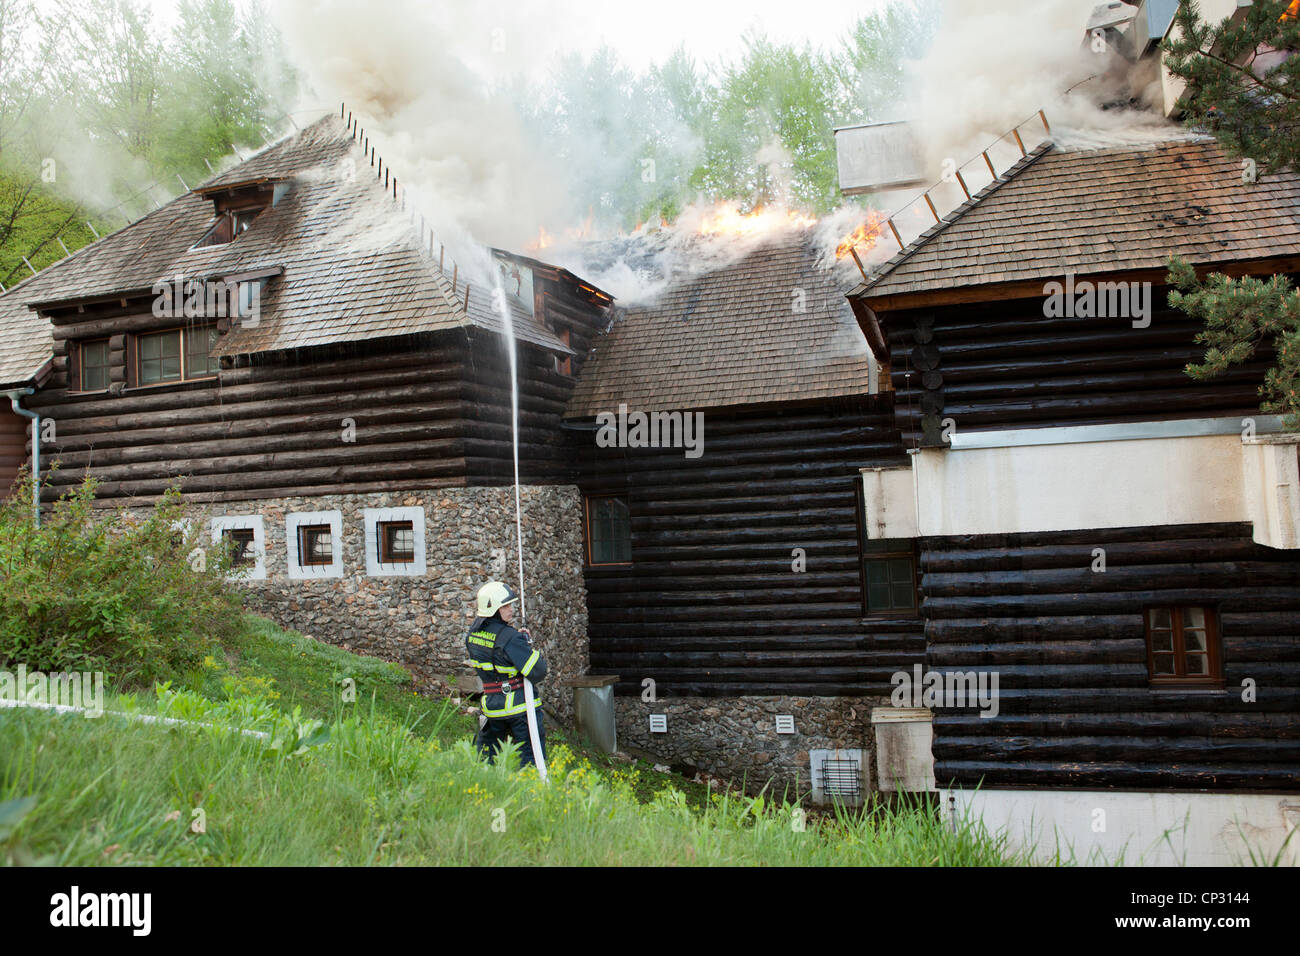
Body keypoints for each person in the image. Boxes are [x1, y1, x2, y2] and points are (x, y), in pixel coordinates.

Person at [466, 581, 547, 770]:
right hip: (520, 708)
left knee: (487, 760)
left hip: (492, 708)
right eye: (506, 606)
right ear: (493, 609)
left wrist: (516, 643)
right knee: (531, 760)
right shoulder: (511, 638)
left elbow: (494, 653)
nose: (511, 610)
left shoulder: (472, 636)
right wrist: (523, 645)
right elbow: (538, 671)